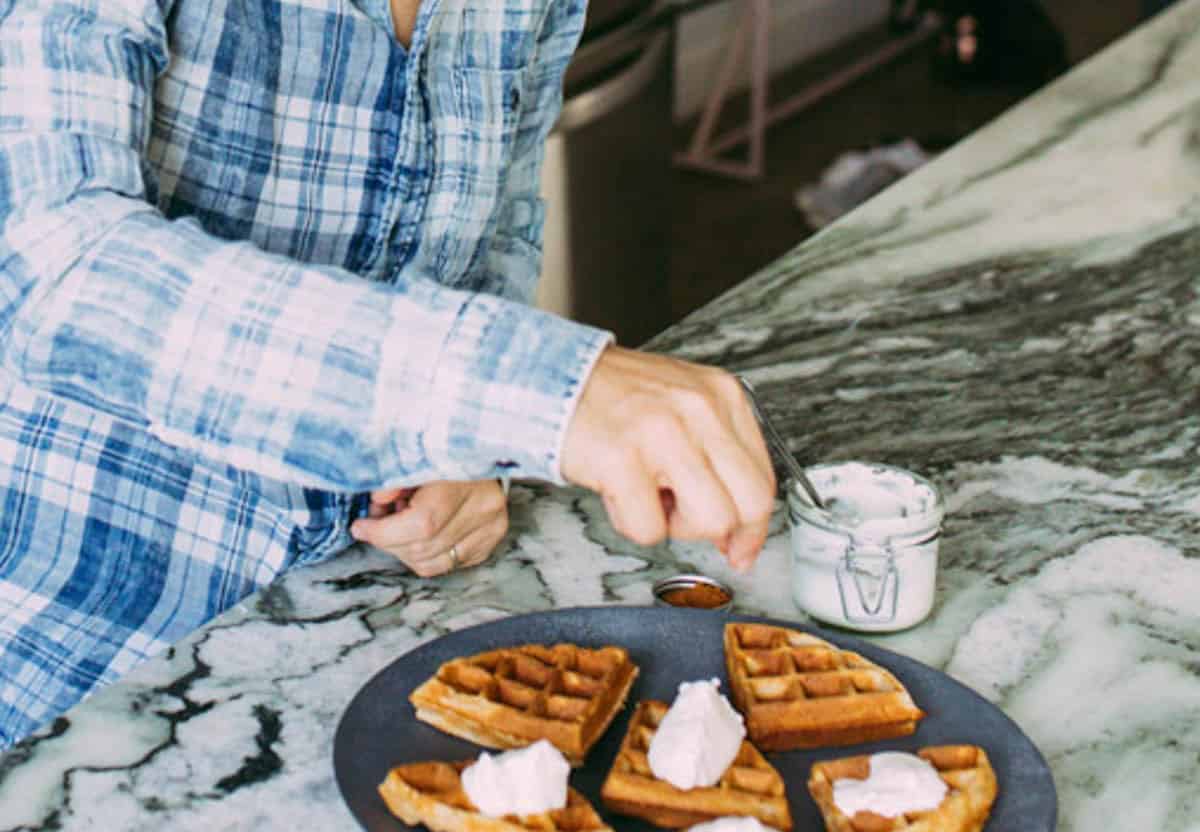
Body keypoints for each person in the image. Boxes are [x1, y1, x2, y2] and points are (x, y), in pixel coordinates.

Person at [0, 0, 775, 751]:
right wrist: (536, 394)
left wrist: (473, 466)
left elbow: (495, 229)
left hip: (362, 642)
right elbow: (58, 263)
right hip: (72, 675)